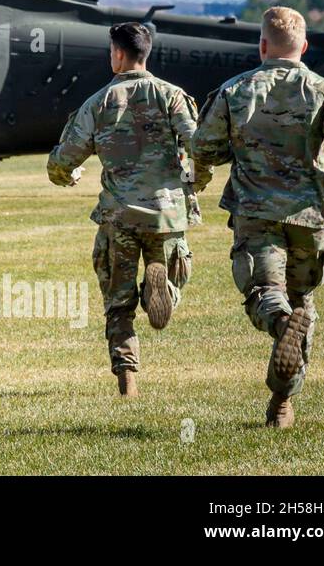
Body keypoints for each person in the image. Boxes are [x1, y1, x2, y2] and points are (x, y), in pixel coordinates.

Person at [192, 6, 324, 428]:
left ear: (262, 45)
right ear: (304, 47)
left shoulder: (234, 91)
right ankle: (281, 404)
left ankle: (281, 323)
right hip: (309, 215)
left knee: (263, 293)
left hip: (256, 212)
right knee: (303, 300)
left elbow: (203, 149)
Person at [47, 22, 211, 397]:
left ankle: (128, 380)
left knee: (118, 301)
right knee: (173, 276)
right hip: (166, 214)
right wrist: (194, 181)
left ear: (118, 55)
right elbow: (201, 149)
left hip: (119, 216)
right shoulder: (173, 97)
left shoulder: (98, 103)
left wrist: (68, 175)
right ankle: (165, 289)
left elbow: (63, 160)